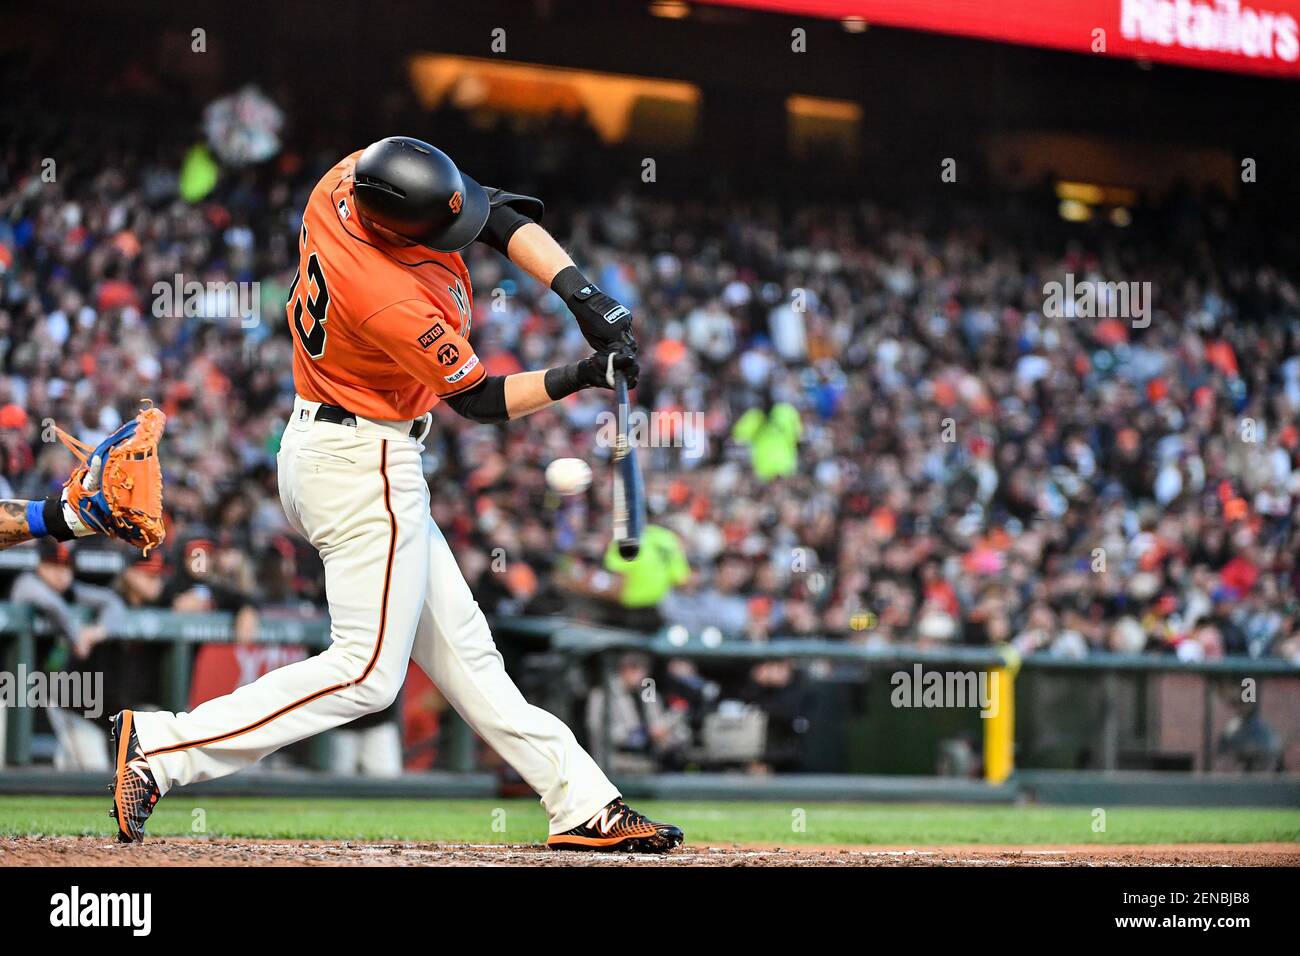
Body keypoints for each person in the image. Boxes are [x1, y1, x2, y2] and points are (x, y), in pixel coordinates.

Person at [109, 136, 683, 853]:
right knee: (367, 674)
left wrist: (582, 294)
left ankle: (584, 802)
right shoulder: (385, 297)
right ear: (392, 227)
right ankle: (161, 748)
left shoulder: (347, 178)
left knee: (469, 658)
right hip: (362, 461)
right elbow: (476, 401)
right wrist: (583, 373)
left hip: (333, 444)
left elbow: (496, 213)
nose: (459, 233)